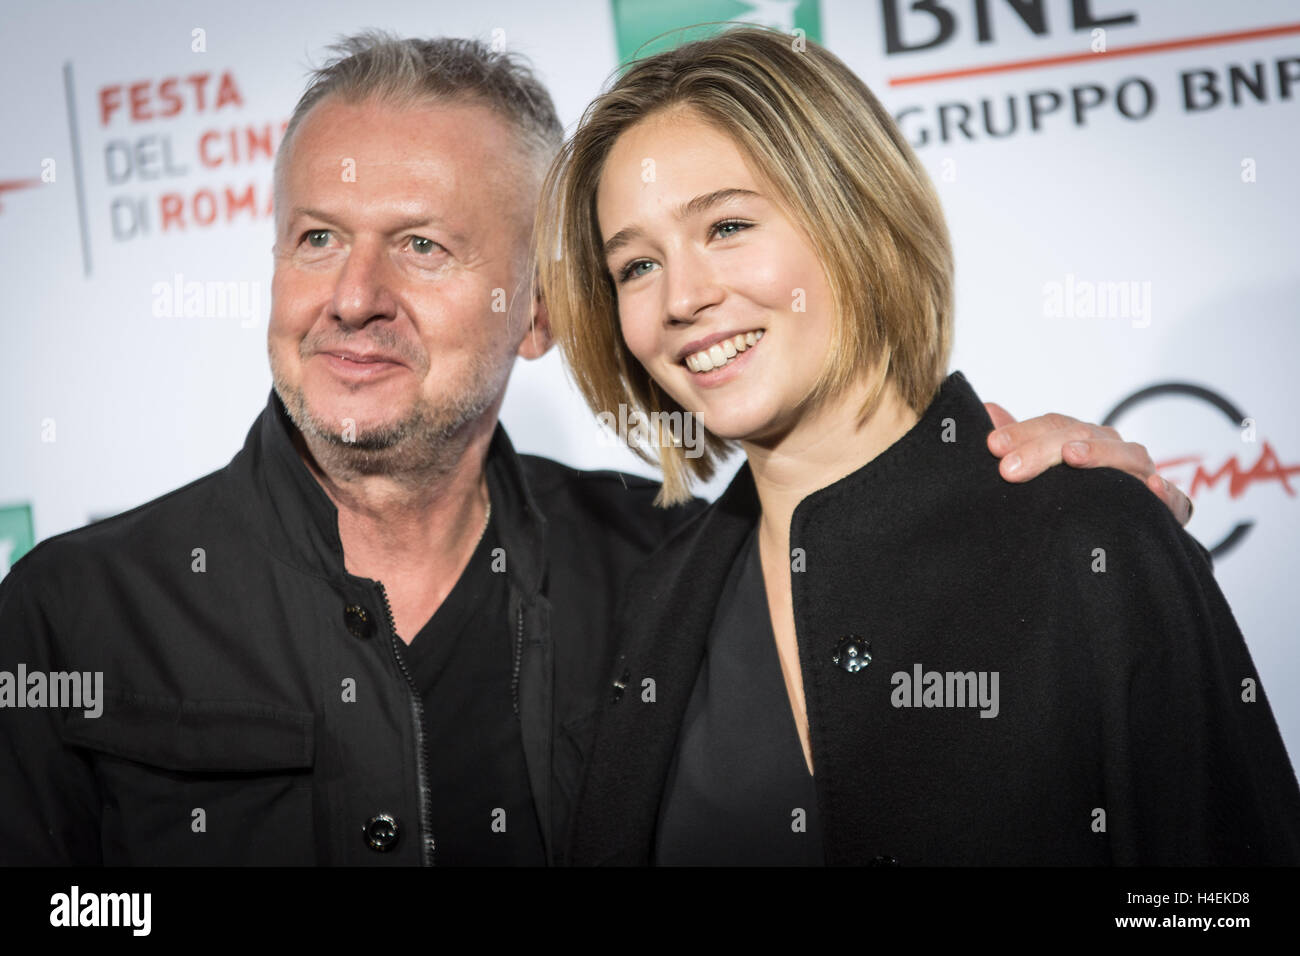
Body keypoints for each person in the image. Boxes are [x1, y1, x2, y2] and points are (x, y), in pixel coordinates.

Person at [0, 32, 1189, 867]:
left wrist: (1034, 504)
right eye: (317, 236)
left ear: (537, 313)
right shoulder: (71, 612)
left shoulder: (677, 573)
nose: (353, 295)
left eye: (422, 246)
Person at [538, 26, 1300, 865]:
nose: (681, 297)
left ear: (855, 215)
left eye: (725, 227)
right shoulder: (652, 609)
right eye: (636, 267)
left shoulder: (1090, 538)